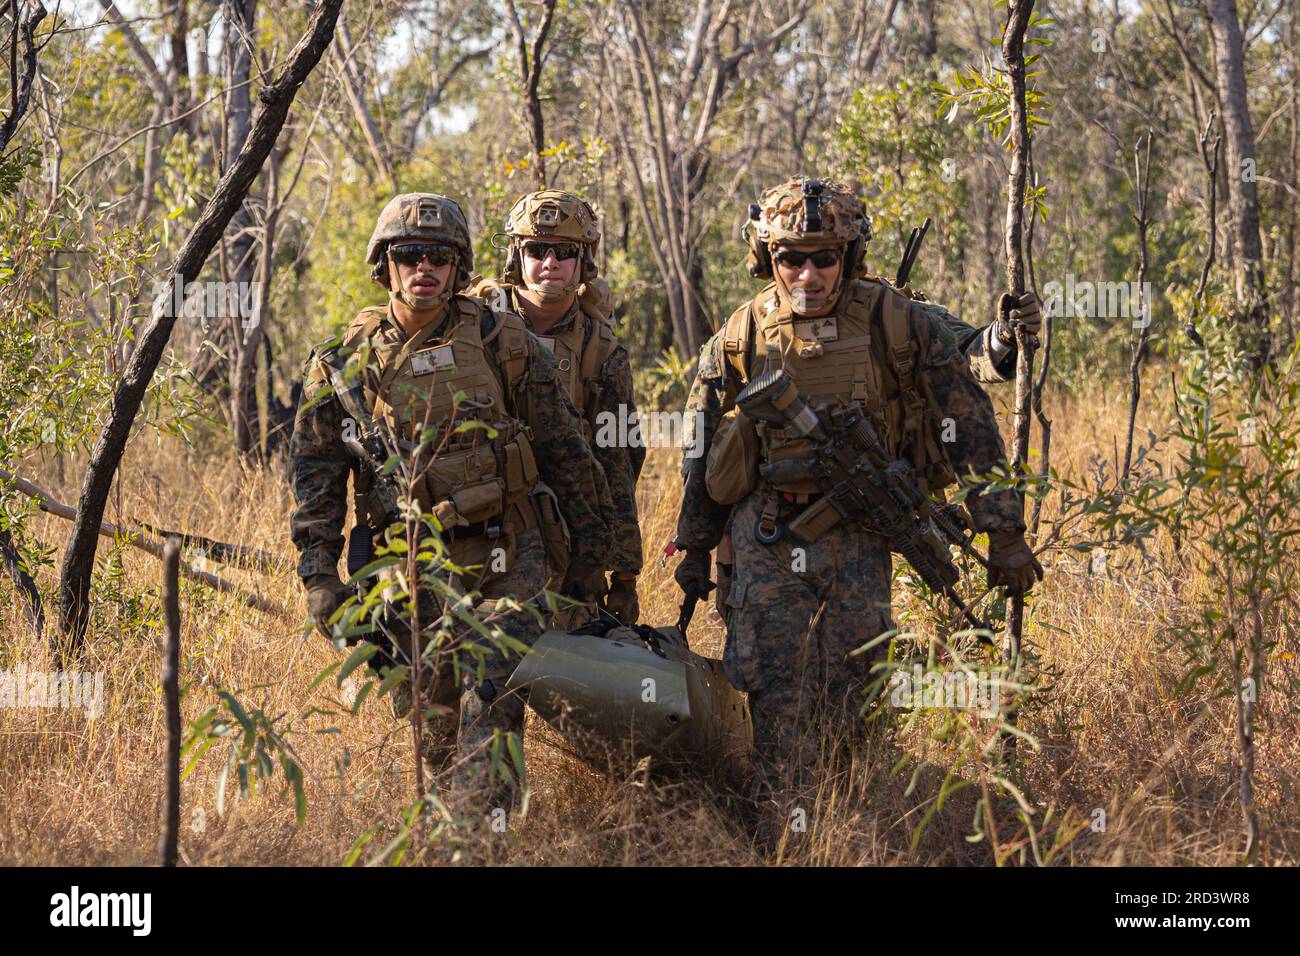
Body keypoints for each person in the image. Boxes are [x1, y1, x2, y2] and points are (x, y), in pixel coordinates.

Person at [672, 177, 1042, 799]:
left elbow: (970, 424)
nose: (808, 275)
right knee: (775, 692)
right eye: (792, 259)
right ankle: (782, 828)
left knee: (856, 689)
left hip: (858, 539)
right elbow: (702, 451)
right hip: (766, 532)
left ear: (849, 256)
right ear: (769, 258)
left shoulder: (896, 320)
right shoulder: (741, 334)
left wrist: (1004, 531)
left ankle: (854, 821)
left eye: (825, 259)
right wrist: (695, 550)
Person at [289, 192, 609, 815]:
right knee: (431, 725)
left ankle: (482, 842)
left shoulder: (501, 338)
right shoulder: (342, 363)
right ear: (384, 264)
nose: (424, 268)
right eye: (409, 255)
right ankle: (441, 834)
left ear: (459, 266)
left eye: (440, 256)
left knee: (492, 708)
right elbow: (316, 477)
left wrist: (594, 563)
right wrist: (318, 577)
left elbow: (568, 453)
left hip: (507, 553)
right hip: (408, 566)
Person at [470, 190, 644, 623]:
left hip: (569, 524)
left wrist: (623, 576)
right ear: (516, 255)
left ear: (584, 260)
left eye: (564, 252)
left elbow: (618, 461)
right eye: (536, 250)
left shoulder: (600, 349)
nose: (550, 263)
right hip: (484, 517)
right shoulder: (475, 329)